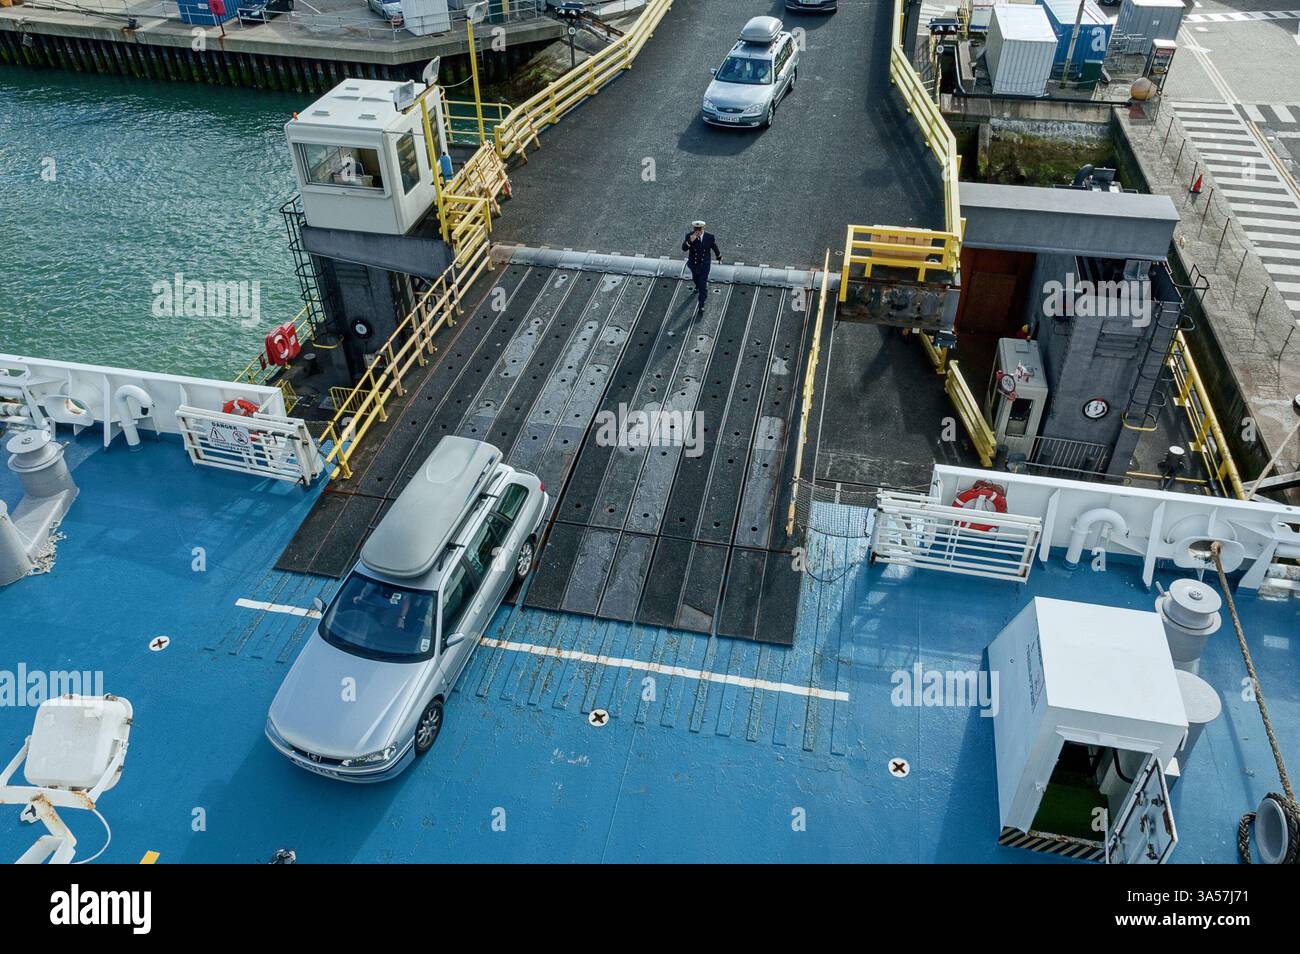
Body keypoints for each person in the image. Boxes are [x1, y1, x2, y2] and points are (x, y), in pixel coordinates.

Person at [682, 220, 722, 316]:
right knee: (695, 278)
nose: (698, 231)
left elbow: (713, 246)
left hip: (704, 264)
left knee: (703, 285)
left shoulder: (709, 237)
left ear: (703, 229)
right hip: (694, 263)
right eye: (696, 229)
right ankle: (697, 286)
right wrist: (690, 241)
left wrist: (718, 255)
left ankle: (701, 305)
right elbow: (684, 248)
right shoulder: (689, 236)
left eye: (699, 229)